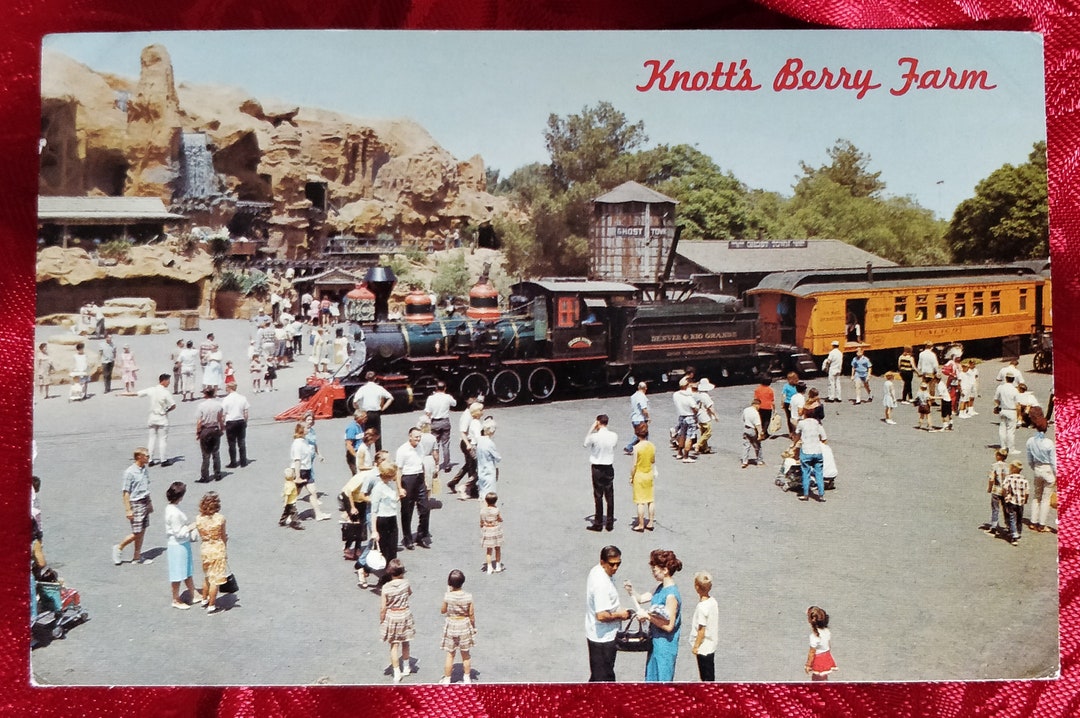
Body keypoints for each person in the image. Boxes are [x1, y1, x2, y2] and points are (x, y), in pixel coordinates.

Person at [627, 548, 683, 682]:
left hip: (665, 647)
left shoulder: (671, 595)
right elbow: (641, 598)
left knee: (662, 683)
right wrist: (631, 590)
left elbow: (669, 626)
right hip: (655, 643)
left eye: (654, 570)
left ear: (665, 570)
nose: (653, 573)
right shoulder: (660, 587)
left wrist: (648, 617)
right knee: (651, 681)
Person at [584, 545, 634, 682]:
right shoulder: (602, 583)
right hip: (603, 638)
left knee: (598, 675)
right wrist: (621, 615)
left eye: (619, 563)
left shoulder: (597, 571)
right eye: (612, 564)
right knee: (604, 677)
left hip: (596, 634)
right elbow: (601, 615)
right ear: (602, 562)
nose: (615, 568)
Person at [112, 447, 155, 565]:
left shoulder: (144, 469)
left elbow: (146, 487)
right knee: (136, 532)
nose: (148, 457)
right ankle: (119, 547)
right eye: (146, 456)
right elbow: (126, 493)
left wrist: (149, 503)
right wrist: (128, 510)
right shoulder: (129, 472)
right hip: (136, 503)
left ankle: (137, 556)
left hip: (145, 501)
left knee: (143, 530)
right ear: (138, 457)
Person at [164, 481, 201, 609]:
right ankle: (175, 599)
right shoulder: (174, 513)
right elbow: (178, 532)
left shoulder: (172, 507)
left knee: (186, 570)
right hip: (177, 545)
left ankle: (194, 593)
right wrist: (191, 526)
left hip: (182, 544)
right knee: (177, 573)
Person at [379, 558, 416, 682]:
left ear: (390, 572)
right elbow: (409, 593)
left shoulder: (386, 587)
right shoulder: (406, 583)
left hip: (392, 616)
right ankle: (406, 667)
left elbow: (383, 608)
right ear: (402, 572)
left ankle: (396, 671)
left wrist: (382, 619)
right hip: (405, 614)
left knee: (394, 645)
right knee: (406, 642)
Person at [439, 569, 477, 684]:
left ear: (450, 583)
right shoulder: (469, 597)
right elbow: (471, 614)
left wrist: (448, 594)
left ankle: (447, 678)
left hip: (451, 625)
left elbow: (443, 610)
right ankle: (466, 677)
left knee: (450, 654)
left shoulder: (447, 596)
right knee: (465, 654)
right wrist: (473, 627)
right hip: (464, 625)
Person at [195, 491, 230, 614]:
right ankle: (212, 605)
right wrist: (225, 548)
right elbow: (223, 536)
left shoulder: (199, 519)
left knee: (207, 576)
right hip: (217, 547)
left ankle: (204, 599)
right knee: (215, 580)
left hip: (205, 547)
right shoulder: (220, 519)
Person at [396, 427, 431, 549]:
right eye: (416, 437)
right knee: (407, 510)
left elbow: (422, 464)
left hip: (419, 478)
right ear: (410, 436)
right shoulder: (402, 450)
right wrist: (399, 487)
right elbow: (398, 470)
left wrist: (425, 480)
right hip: (407, 479)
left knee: (425, 508)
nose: (418, 439)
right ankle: (407, 538)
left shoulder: (420, 447)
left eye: (420, 437)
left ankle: (421, 536)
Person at [584, 414, 619, 532]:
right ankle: (609, 523)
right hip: (608, 466)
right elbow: (613, 446)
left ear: (598, 423)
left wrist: (591, 428)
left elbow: (585, 443)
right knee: (610, 495)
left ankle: (598, 523)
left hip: (597, 467)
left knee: (598, 495)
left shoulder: (594, 436)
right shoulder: (614, 435)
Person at [291, 422, 331, 521]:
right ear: (301, 430)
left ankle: (318, 514)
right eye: (306, 428)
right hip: (300, 471)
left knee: (313, 492)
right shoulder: (297, 443)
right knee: (293, 495)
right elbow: (297, 460)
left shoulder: (304, 440)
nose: (308, 428)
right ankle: (288, 515)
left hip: (307, 470)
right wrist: (297, 477)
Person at [135, 373, 176, 466]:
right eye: (168, 381)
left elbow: (138, 393)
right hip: (162, 417)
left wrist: (123, 394)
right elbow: (173, 405)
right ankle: (163, 460)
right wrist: (167, 410)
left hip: (152, 417)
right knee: (162, 440)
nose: (169, 383)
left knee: (151, 439)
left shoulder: (152, 390)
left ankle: (150, 459)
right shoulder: (166, 392)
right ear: (164, 381)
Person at [1026, 407, 1057, 534]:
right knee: (1046, 499)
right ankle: (1042, 524)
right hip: (1048, 470)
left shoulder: (1030, 441)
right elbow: (1053, 461)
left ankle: (1033, 521)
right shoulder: (1049, 443)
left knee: (1036, 496)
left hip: (1037, 469)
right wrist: (1057, 475)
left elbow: (1029, 459)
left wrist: (1034, 467)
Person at [370, 461, 403, 569]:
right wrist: (374, 531)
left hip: (392, 519)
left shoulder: (390, 485)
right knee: (384, 551)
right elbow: (374, 511)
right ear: (389, 475)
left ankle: (391, 575)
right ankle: (383, 576)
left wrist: (400, 497)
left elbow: (390, 502)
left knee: (393, 550)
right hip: (382, 520)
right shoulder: (378, 488)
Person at [351, 372, 394, 450]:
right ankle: (378, 453)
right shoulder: (379, 388)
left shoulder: (363, 389)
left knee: (366, 434)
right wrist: (383, 408)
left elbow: (355, 401)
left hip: (366, 413)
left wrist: (358, 409)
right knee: (377, 434)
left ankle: (365, 451)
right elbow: (390, 398)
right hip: (376, 413)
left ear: (366, 378)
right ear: (375, 378)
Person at [689, 571, 718, 682]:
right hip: (711, 644)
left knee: (705, 676)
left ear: (697, 587)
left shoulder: (701, 608)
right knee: (710, 673)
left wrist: (696, 646)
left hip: (703, 647)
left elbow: (701, 630)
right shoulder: (713, 602)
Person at [424, 381, 458, 472]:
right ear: (445, 388)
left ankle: (435, 465)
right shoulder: (448, 397)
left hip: (435, 422)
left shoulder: (431, 398)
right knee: (445, 444)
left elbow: (427, 412)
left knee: (435, 445)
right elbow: (454, 404)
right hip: (445, 421)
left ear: (436, 388)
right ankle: (447, 465)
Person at [629, 422, 656, 532]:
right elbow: (653, 460)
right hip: (649, 473)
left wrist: (631, 476)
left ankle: (641, 524)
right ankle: (650, 522)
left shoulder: (636, 448)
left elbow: (634, 465)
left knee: (640, 502)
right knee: (650, 500)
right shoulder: (652, 446)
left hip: (639, 475)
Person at [795, 411, 828, 502]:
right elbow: (824, 438)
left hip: (806, 451)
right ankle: (821, 495)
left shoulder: (801, 423)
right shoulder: (817, 423)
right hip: (817, 451)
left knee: (806, 473)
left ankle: (806, 494)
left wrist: (794, 444)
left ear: (805, 415)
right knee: (819, 473)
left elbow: (797, 434)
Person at [195, 386, 224, 483]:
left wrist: (198, 432)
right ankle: (218, 474)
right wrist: (222, 429)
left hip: (206, 430)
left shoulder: (201, 406)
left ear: (205, 394)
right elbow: (220, 419)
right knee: (216, 453)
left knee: (205, 454)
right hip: (215, 429)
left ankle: (205, 476)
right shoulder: (219, 405)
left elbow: (199, 421)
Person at [221, 382, 251, 469]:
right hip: (240, 420)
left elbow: (223, 413)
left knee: (231, 443)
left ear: (229, 388)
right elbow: (246, 412)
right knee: (241, 442)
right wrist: (245, 422)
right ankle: (243, 461)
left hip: (230, 421)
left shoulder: (226, 399)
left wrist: (222, 424)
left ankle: (233, 462)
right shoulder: (242, 398)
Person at [981, 448, 1009, 536]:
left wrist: (989, 488)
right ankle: (1008, 525)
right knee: (1006, 508)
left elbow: (991, 478)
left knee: (995, 509)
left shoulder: (994, 466)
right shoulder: (1008, 466)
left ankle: (994, 526)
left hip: (996, 489)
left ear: (998, 456)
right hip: (1005, 490)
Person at [805, 606, 837, 681]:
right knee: (824, 676)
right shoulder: (827, 631)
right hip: (826, 657)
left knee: (816, 678)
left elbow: (812, 652)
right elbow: (829, 645)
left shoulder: (814, 636)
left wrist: (808, 665)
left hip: (818, 659)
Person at [1001, 461, 1029, 546]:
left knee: (1012, 518)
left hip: (1011, 501)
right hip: (1020, 502)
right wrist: (1025, 500)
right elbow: (1027, 492)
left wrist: (1005, 496)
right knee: (1019, 518)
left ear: (1013, 468)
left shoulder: (1009, 478)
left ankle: (1014, 535)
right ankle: (1019, 532)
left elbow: (1004, 488)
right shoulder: (1024, 479)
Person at [671, 381, 699, 462]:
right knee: (689, 436)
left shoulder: (676, 395)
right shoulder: (689, 397)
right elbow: (694, 408)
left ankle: (679, 453)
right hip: (690, 416)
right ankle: (686, 456)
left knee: (682, 435)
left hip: (681, 416)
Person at [475, 416, 501, 501]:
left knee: (482, 492)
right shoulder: (490, 443)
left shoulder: (480, 440)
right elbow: (498, 458)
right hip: (489, 470)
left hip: (481, 469)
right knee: (490, 493)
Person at [994, 374, 1021, 454]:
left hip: (1003, 410)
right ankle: (1011, 448)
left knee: (1002, 428)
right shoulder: (1014, 390)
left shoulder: (1000, 387)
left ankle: (1003, 446)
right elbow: (1018, 404)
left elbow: (996, 399)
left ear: (1006, 378)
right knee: (1011, 431)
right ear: (1013, 379)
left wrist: (998, 406)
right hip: (1012, 410)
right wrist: (1019, 415)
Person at [480, 492, 504, 573]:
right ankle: (498, 565)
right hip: (496, 530)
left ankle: (489, 567)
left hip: (488, 530)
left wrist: (482, 525)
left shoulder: (483, 511)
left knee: (489, 550)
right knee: (497, 548)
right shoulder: (496, 510)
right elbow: (500, 519)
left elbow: (481, 522)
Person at [625, 382, 650, 455]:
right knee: (642, 434)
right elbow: (644, 409)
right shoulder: (641, 396)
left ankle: (639, 449)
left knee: (639, 434)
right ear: (645, 388)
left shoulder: (634, 396)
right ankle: (629, 447)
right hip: (640, 418)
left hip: (634, 418)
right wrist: (648, 417)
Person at [694, 379, 718, 454]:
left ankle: (705, 447)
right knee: (708, 432)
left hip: (699, 416)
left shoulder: (698, 395)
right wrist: (715, 415)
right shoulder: (706, 396)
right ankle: (698, 444)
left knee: (703, 432)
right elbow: (710, 407)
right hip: (705, 416)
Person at [741, 398, 764, 469]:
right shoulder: (755, 413)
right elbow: (758, 425)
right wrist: (760, 434)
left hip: (746, 429)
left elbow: (743, 418)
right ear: (756, 405)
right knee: (757, 446)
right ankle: (759, 461)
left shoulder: (746, 410)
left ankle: (744, 461)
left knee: (746, 446)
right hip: (752, 430)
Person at [344, 410, 367, 475]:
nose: (366, 419)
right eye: (364, 417)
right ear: (359, 417)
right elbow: (349, 445)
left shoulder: (362, 425)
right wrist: (356, 456)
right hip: (354, 454)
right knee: (357, 474)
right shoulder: (352, 428)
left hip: (361, 452)